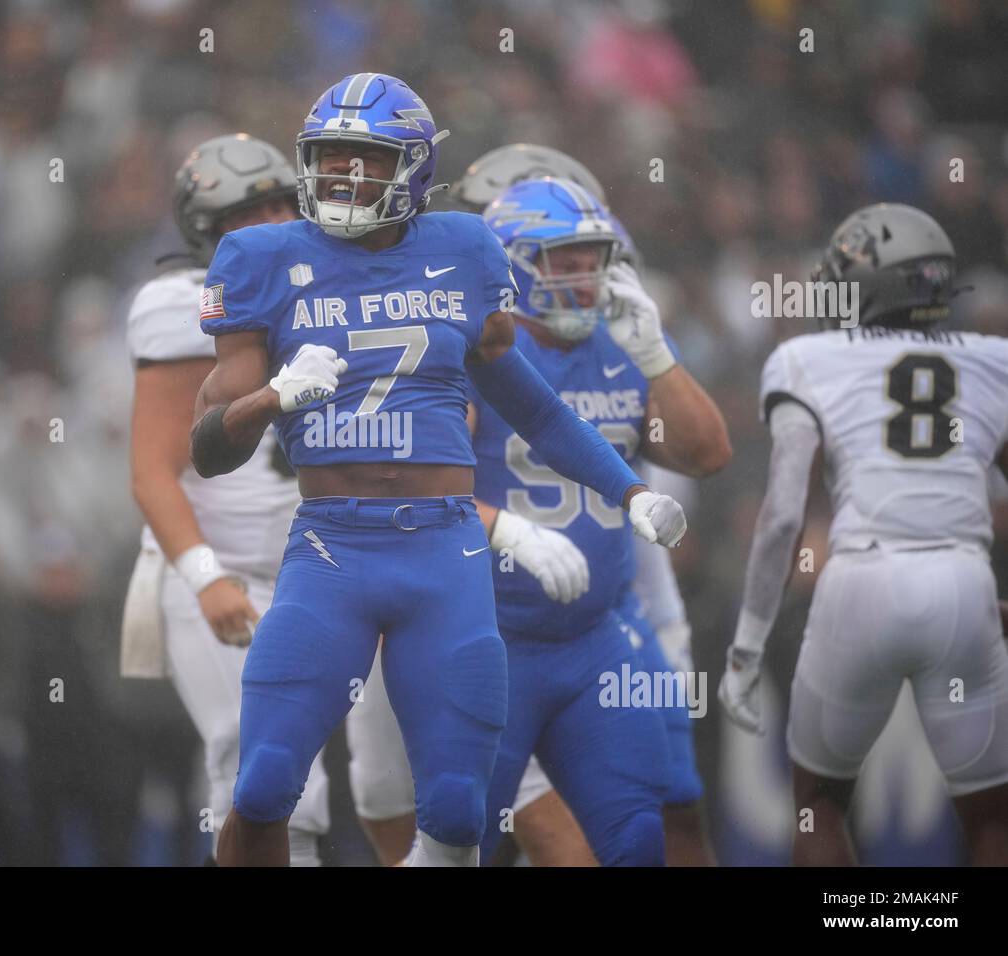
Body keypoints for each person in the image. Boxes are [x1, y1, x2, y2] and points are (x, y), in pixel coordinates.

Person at [191, 73, 687, 867]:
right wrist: (272, 398)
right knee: (263, 784)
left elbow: (536, 408)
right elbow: (209, 450)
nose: (344, 176)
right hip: (330, 547)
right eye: (332, 158)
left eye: (366, 159)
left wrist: (628, 490)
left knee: (458, 814)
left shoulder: (462, 247)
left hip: (443, 550)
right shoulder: (261, 256)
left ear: (413, 170)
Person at [348, 146, 727, 866]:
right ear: (512, 264)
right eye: (562, 261)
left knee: (649, 829)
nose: (584, 279)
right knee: (468, 845)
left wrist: (657, 357)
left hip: (598, 631)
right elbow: (416, 487)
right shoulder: (469, 347)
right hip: (485, 633)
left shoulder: (623, 333)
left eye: (593, 259)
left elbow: (706, 453)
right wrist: (508, 531)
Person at [719, 203, 1008, 866]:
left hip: (861, 581)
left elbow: (785, 515)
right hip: (964, 585)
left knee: (817, 803)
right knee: (992, 818)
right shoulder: (994, 361)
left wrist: (747, 648)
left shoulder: (808, 358)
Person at [124, 133, 330, 865]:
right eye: (254, 208)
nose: (277, 218)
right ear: (207, 229)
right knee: (260, 767)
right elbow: (153, 469)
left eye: (283, 201)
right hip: (224, 573)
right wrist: (206, 576)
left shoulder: (331, 282)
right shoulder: (179, 303)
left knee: (358, 776)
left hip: (321, 571)